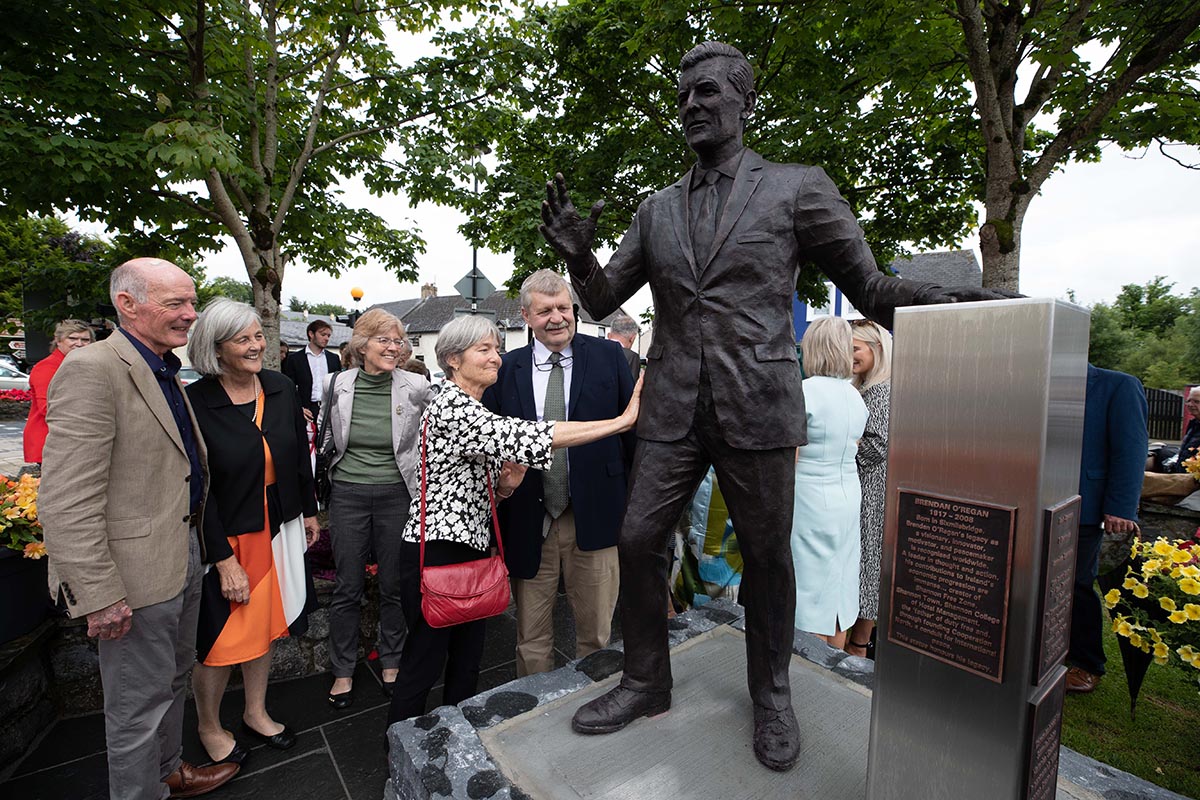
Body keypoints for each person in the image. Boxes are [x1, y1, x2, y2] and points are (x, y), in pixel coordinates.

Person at [538, 40, 1012, 771]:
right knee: (637, 539)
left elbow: (868, 285)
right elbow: (602, 301)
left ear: (744, 101)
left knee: (765, 556)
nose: (690, 105)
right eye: (683, 96)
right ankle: (645, 680)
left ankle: (772, 694)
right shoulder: (656, 209)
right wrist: (578, 255)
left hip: (756, 403)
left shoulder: (797, 189)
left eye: (706, 92)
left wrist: (944, 301)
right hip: (673, 404)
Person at [40, 259, 239, 798]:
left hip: (181, 557)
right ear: (127, 304)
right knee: (136, 707)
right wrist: (99, 594)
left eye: (191, 302)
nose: (191, 314)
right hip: (132, 578)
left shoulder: (163, 368)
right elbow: (66, 497)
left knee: (171, 680)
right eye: (175, 303)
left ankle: (168, 772)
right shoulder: (93, 369)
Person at [386, 314, 642, 723]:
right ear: (453, 359)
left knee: (467, 657)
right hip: (437, 550)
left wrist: (505, 487)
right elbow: (534, 435)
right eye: (484, 350)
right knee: (424, 659)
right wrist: (620, 422)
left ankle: (458, 734)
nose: (497, 358)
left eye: (497, 348)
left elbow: (474, 484)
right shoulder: (453, 406)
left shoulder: (473, 406)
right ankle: (398, 743)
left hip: (470, 548)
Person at [185, 299, 321, 764]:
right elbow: (197, 488)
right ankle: (208, 725)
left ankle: (255, 712)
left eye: (258, 336)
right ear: (215, 348)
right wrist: (222, 559)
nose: (256, 346)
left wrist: (309, 512)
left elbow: (298, 458)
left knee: (263, 627)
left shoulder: (280, 387)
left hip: (278, 525)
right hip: (229, 534)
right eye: (242, 339)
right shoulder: (195, 402)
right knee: (220, 638)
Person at [482, 270, 635, 676]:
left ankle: (594, 697)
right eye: (545, 310)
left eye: (563, 308)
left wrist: (636, 508)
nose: (557, 318)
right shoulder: (506, 368)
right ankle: (537, 707)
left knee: (596, 634)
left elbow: (633, 435)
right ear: (525, 316)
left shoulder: (608, 357)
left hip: (598, 514)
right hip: (529, 519)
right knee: (531, 637)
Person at [319, 309, 432, 707]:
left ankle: (392, 661)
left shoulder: (416, 385)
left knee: (394, 585)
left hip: (397, 494)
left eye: (398, 341)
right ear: (361, 345)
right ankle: (342, 669)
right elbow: (327, 436)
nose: (393, 347)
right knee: (347, 586)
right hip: (347, 494)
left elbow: (434, 432)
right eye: (384, 340)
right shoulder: (336, 384)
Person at [1067, 364, 1147, 694]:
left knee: (1077, 583)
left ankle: (1087, 663)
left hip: (1085, 505)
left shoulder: (1119, 386)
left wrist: (1121, 507)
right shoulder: (1036, 381)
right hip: (1033, 498)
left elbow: (1131, 449)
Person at [791, 318, 867, 649]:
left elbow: (791, 457)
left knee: (809, 591)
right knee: (838, 588)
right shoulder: (854, 396)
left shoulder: (803, 393)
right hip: (848, 495)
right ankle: (836, 662)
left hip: (808, 499)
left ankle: (811, 666)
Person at [846, 319, 892, 658]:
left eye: (856, 349)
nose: (850, 356)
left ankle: (859, 645)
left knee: (867, 568)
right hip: (866, 489)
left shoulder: (880, 391)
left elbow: (876, 446)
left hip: (872, 494)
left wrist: (841, 443)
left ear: (877, 350)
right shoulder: (866, 389)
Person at [24, 319, 93, 464]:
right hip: (52, 441)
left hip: (72, 441)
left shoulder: (82, 364)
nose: (79, 343)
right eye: (72, 338)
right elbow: (48, 408)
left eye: (85, 340)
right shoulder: (47, 367)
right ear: (58, 340)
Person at [282, 319, 341, 421]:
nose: (326, 338)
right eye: (323, 334)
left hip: (329, 409)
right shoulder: (294, 359)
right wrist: (299, 407)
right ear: (311, 334)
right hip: (306, 410)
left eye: (328, 335)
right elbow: (289, 386)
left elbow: (338, 385)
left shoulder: (333, 358)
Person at [607, 314, 641, 380]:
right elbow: (631, 384)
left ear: (609, 335)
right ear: (632, 338)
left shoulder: (594, 351)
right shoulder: (631, 357)